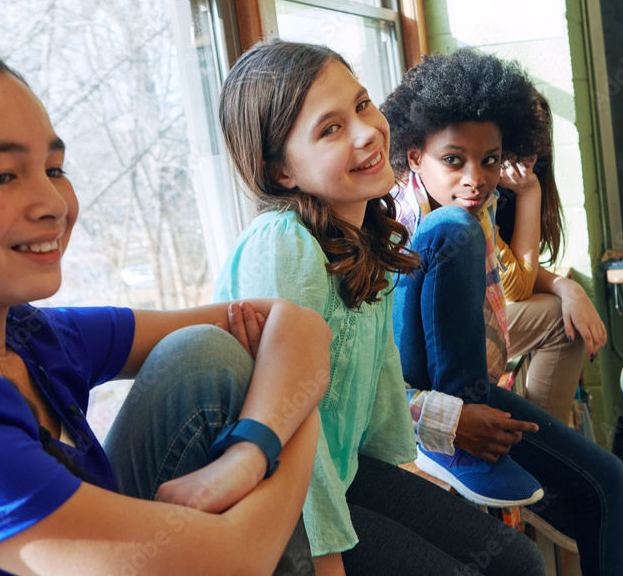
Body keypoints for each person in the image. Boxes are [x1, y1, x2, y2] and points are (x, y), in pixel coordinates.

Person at [0, 43, 332, 575]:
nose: (53, 204)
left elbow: (293, 323)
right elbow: (237, 558)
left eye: (54, 168)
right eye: (0, 175)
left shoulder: (27, 334)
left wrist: (249, 450)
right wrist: (296, 413)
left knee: (206, 353)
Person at [214, 38, 545, 576]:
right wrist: (326, 559)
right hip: (282, 507)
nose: (367, 132)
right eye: (330, 128)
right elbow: (289, 424)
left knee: (518, 561)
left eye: (362, 105)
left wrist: (408, 480)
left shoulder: (371, 233)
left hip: (345, 472)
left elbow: (381, 384)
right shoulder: (285, 245)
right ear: (280, 172)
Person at [382, 48, 623, 576]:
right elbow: (375, 377)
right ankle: (464, 450)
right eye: (454, 160)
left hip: (475, 381)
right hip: (416, 396)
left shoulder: (480, 206)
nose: (476, 177)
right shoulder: (391, 222)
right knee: (451, 228)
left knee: (606, 478)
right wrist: (448, 418)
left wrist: (563, 282)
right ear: (414, 156)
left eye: (490, 160)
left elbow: (511, 285)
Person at [492, 92, 606, 425]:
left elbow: (517, 274)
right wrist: (530, 191)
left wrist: (568, 287)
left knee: (566, 311)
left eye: (538, 137)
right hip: (442, 337)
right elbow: (516, 287)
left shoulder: (512, 187)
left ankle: (547, 441)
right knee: (561, 319)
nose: (530, 152)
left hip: (477, 316)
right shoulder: (477, 187)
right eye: (520, 137)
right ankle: (547, 445)